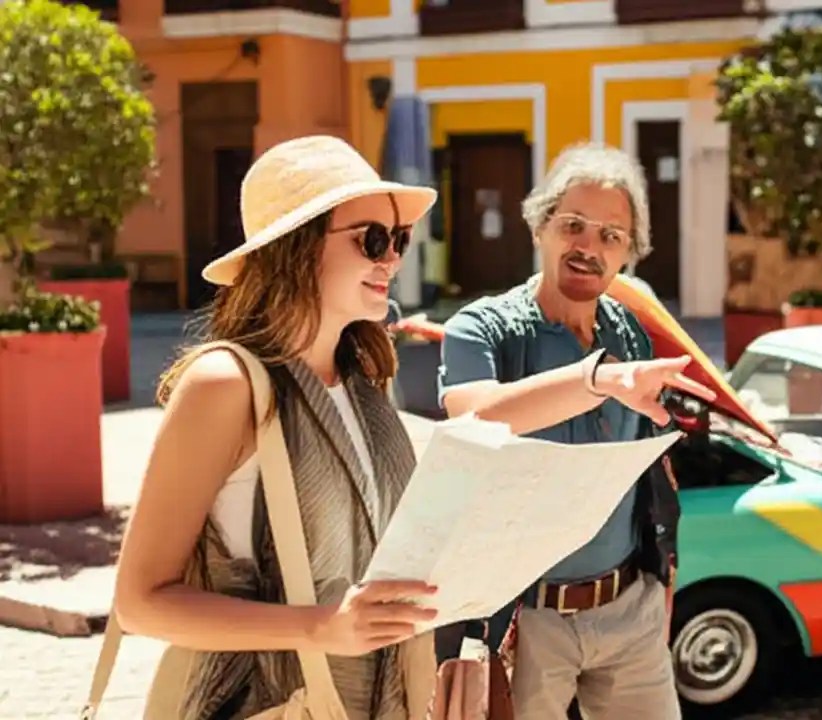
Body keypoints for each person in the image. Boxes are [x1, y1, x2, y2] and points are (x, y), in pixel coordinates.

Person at [114, 135, 441, 719]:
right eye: (371, 239)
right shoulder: (226, 385)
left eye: (398, 239)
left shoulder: (365, 382)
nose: (390, 259)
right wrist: (320, 628)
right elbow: (140, 604)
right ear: (297, 247)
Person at [434, 142, 716, 719]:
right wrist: (596, 381)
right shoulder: (483, 330)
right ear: (540, 227)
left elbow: (646, 473)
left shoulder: (630, 333)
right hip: (526, 623)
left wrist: (659, 582)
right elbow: (471, 419)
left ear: (627, 255)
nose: (590, 247)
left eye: (612, 236)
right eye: (574, 226)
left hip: (628, 609)